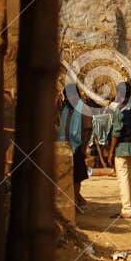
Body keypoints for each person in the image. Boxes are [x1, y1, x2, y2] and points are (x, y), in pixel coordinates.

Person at [105, 91, 131, 218]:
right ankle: (128, 206)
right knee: (128, 178)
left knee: (123, 180)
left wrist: (110, 151)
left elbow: (116, 132)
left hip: (121, 148)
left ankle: (126, 209)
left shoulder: (120, 109)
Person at [58, 84, 89, 212]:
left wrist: (84, 148)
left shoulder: (83, 108)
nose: (68, 98)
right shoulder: (65, 108)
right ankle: (76, 200)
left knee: (77, 177)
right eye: (67, 96)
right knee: (65, 176)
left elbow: (87, 129)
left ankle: (76, 201)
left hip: (77, 148)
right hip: (63, 147)